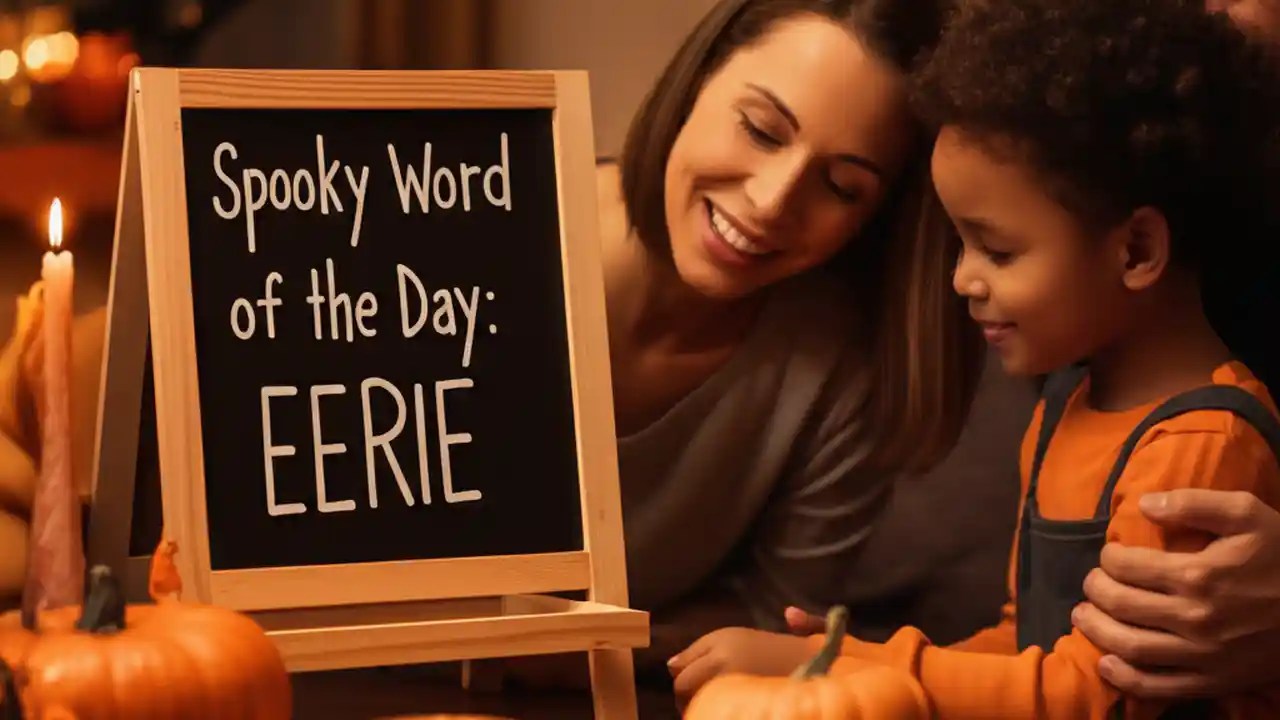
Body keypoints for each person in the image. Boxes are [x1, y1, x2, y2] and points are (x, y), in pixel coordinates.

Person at [0, 0, 987, 678]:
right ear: (696, 81)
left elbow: (775, 633)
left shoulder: (839, 370)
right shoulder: (462, 225)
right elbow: (81, 418)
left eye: (841, 186)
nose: (771, 201)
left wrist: (550, 656)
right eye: (761, 130)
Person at [667, 0, 1280, 716]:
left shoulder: (1198, 448)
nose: (962, 279)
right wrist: (849, 661)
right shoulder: (1067, 405)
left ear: (1137, 250)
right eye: (960, 245)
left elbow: (1097, 694)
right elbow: (1027, 648)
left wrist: (837, 662)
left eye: (998, 250)